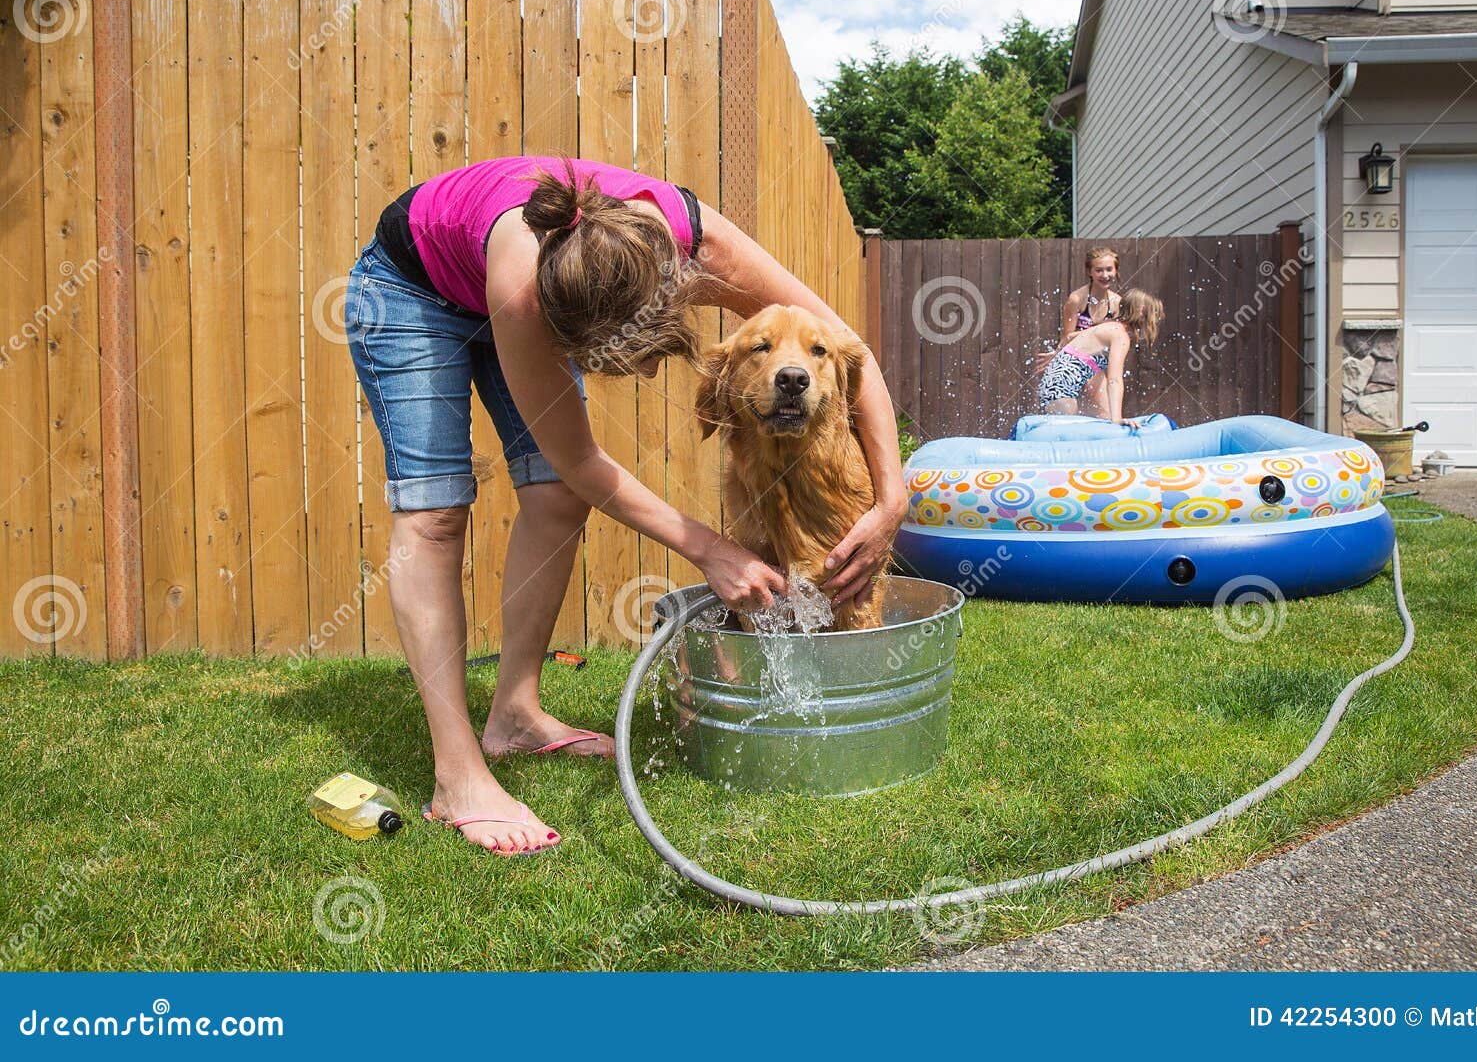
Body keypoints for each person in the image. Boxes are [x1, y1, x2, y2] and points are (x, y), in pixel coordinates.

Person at [345, 157, 906, 856]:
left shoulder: (704, 245)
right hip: (412, 289)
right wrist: (710, 549)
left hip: (515, 274)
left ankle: (514, 714)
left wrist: (891, 500)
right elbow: (581, 460)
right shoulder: (522, 291)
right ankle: (457, 775)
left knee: (554, 499)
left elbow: (850, 347)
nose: (637, 374)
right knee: (434, 514)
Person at [1035, 289, 1164, 425]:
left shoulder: (1108, 326)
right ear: (1142, 311)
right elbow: (1114, 380)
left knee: (1083, 423)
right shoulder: (1121, 336)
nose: (1155, 321)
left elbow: (1069, 337)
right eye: (1154, 315)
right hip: (1062, 388)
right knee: (1067, 431)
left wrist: (1058, 355)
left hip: (1052, 383)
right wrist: (1117, 419)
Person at [1031, 246, 1123, 417]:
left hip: (1096, 365)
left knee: (1106, 414)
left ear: (1116, 270)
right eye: (1099, 270)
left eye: (1109, 269)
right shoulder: (1077, 300)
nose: (1105, 275)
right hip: (1075, 361)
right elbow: (1067, 337)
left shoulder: (1117, 303)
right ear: (1089, 272)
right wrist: (1057, 354)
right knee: (1068, 412)